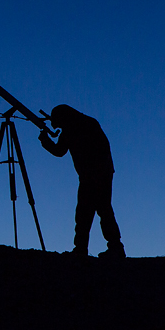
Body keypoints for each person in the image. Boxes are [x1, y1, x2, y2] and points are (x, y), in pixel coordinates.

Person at [38, 104, 125, 258]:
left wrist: (45, 140)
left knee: (97, 211)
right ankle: (93, 248)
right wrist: (46, 141)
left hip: (97, 175)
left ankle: (105, 248)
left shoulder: (83, 126)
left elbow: (60, 151)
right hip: (96, 174)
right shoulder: (82, 125)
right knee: (91, 212)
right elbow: (60, 151)